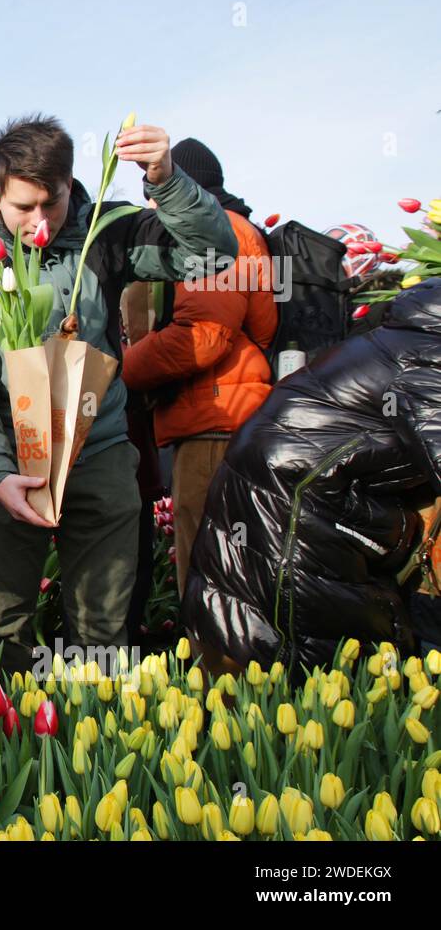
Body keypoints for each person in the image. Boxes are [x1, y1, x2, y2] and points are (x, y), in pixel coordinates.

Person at [0, 113, 236, 674]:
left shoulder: (108, 232)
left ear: (73, 185)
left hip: (98, 451)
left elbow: (213, 256)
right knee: (7, 625)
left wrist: (166, 180)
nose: (41, 222)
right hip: (10, 464)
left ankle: (94, 743)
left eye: (52, 203)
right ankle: (11, 734)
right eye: (23, 208)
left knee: (102, 626)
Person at [183, 278, 441, 674]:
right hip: (297, 497)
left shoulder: (413, 336)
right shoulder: (428, 357)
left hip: (294, 487)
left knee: (294, 644)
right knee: (307, 653)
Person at [122, 138, 278, 595]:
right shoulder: (243, 229)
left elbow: (204, 336)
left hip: (213, 421)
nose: (152, 205)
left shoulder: (224, 232)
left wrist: (117, 371)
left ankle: (217, 666)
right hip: (228, 413)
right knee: (236, 564)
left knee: (208, 569)